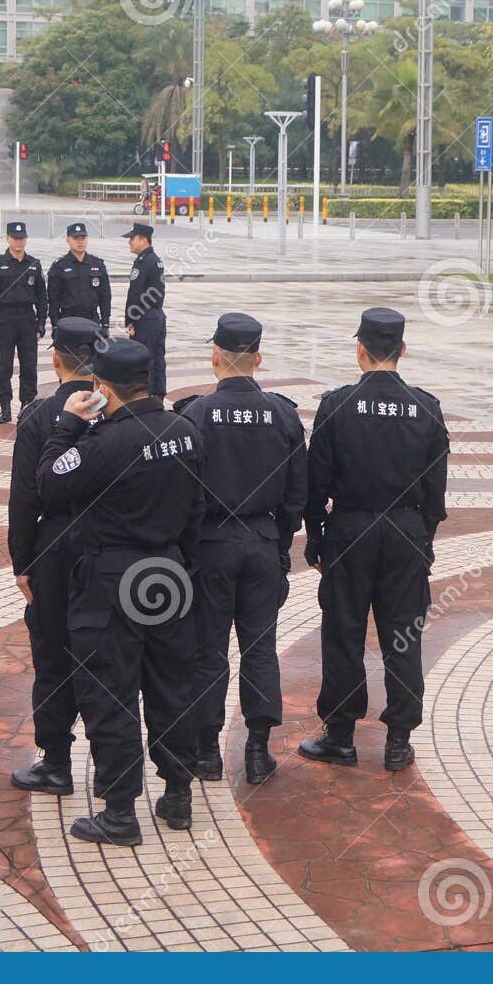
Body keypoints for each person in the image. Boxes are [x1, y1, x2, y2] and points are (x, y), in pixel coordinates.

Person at [38, 338, 204, 846]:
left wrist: (67, 424)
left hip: (112, 576)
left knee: (110, 692)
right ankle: (178, 793)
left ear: (103, 388)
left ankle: (119, 812)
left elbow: (49, 482)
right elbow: (197, 510)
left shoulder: (104, 443)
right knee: (172, 687)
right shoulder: (186, 432)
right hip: (168, 572)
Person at [299, 308, 449, 773]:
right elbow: (436, 490)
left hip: (350, 529)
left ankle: (341, 736)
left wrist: (316, 536)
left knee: (343, 633)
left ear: (360, 349)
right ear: (402, 349)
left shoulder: (337, 405)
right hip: (405, 531)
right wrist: (423, 538)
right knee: (403, 637)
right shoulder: (426, 407)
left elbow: (315, 482)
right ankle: (398, 741)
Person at [173, 313, 306, 784]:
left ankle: (207, 752)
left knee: (208, 650)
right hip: (263, 541)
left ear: (215, 358)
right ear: (258, 359)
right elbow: (297, 494)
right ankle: (257, 750)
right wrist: (280, 542)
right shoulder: (283, 415)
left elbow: (182, 495)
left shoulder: (195, 415)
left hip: (211, 544)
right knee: (260, 648)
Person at [8, 317, 103, 794]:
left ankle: (57, 761)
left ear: (55, 359)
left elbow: (24, 497)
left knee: (52, 653)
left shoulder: (40, 416)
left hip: (55, 545)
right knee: (107, 655)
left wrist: (21, 562)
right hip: (108, 543)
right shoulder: (118, 410)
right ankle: (111, 768)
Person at [0, 220, 46, 423]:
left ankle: (27, 405)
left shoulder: (34, 264)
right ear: (7, 238)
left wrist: (41, 322)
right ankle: (5, 407)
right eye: (15, 238)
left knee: (29, 366)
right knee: (4, 367)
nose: (19, 242)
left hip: (28, 318)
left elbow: (42, 297)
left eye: (22, 238)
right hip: (6, 319)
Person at [122, 222, 168, 396]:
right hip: (157, 316)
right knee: (157, 358)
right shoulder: (155, 260)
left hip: (144, 318)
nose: (129, 242)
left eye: (132, 238)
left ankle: (144, 397)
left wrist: (130, 321)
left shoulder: (143, 262)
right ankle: (158, 394)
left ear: (143, 240)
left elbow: (135, 293)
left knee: (142, 358)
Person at [46, 221, 110, 331]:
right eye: (76, 238)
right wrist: (55, 325)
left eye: (83, 238)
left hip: (92, 319)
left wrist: (105, 323)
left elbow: (105, 296)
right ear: (68, 240)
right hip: (68, 320)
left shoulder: (98, 265)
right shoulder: (59, 266)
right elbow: (53, 299)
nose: (80, 242)